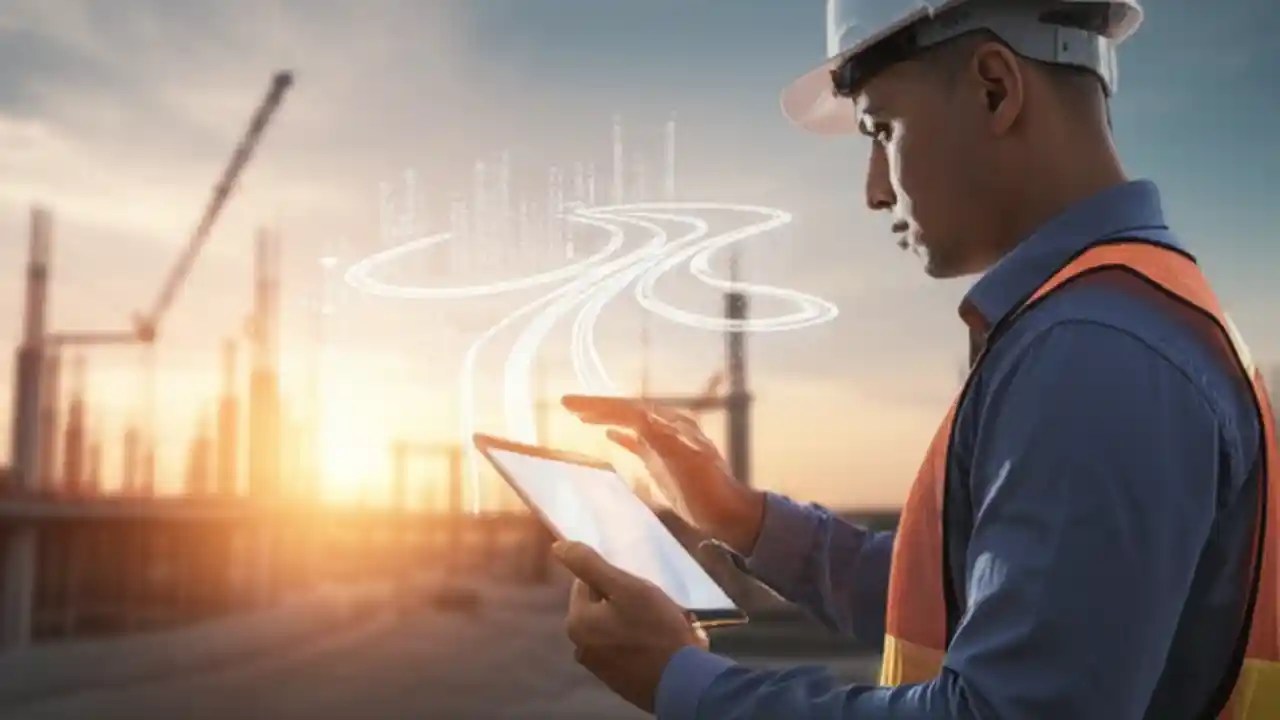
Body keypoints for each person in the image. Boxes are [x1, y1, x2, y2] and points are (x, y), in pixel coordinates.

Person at [553, 0, 1280, 717]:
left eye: (882, 130)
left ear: (995, 89)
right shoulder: (1118, 318)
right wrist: (738, 516)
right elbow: (961, 599)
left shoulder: (1095, 354)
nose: (874, 190)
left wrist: (681, 682)